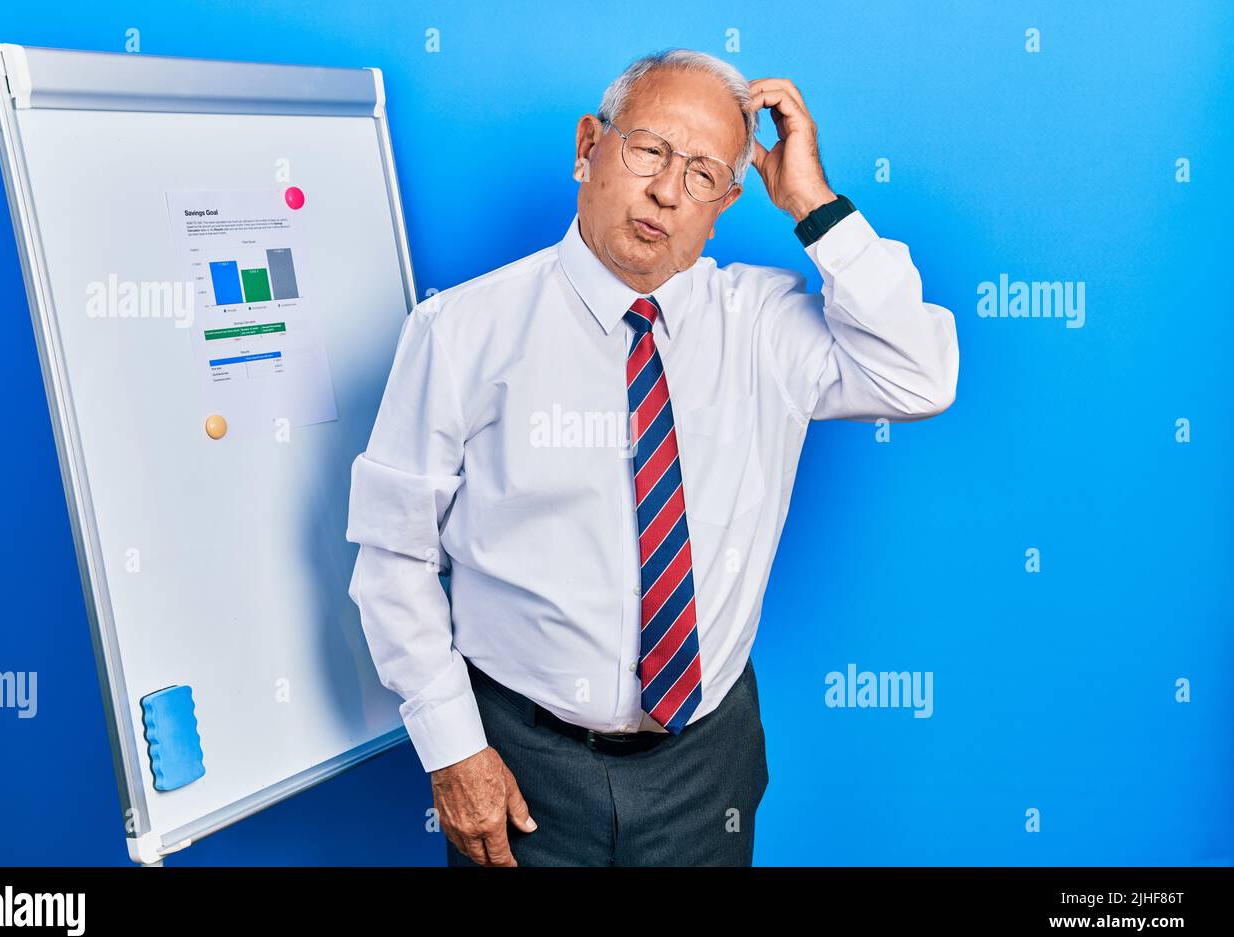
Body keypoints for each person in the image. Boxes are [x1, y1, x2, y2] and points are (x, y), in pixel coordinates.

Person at [345, 47, 958, 866]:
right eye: (650, 151)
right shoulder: (459, 333)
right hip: (524, 764)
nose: (669, 191)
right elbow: (394, 556)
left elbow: (920, 376)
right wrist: (453, 749)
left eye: (705, 173)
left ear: (728, 203)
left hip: (706, 769)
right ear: (587, 146)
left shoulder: (763, 325)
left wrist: (812, 201)